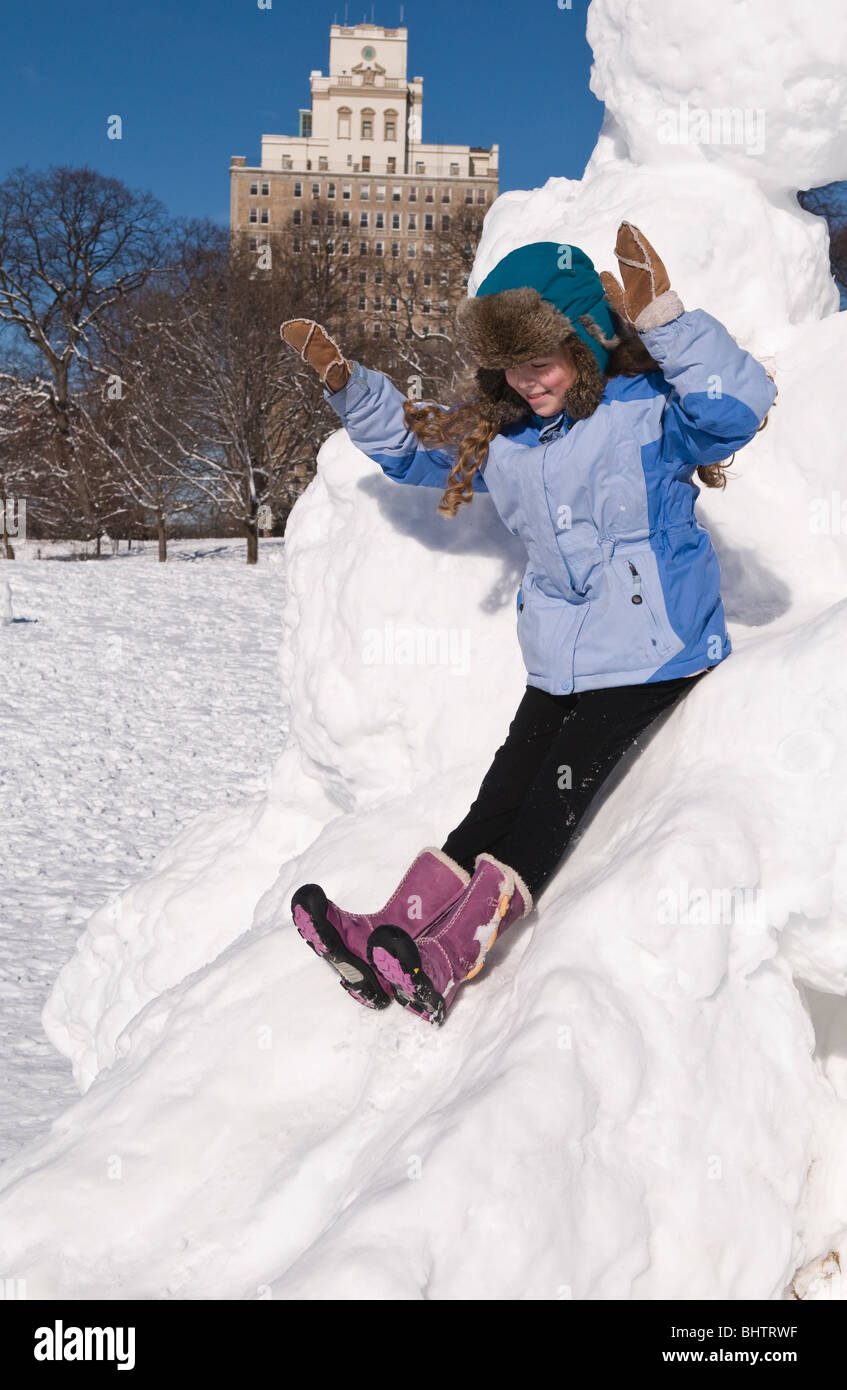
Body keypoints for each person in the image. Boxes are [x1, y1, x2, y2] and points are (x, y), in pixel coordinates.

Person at [281, 222, 777, 1027]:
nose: (524, 381)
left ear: (584, 345)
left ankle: (443, 960)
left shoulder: (650, 415)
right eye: (508, 365)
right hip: (559, 657)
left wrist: (664, 323)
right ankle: (390, 932)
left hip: (654, 654)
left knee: (549, 806)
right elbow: (411, 452)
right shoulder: (505, 437)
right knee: (495, 801)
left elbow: (738, 406)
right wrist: (350, 387)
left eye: (538, 360)